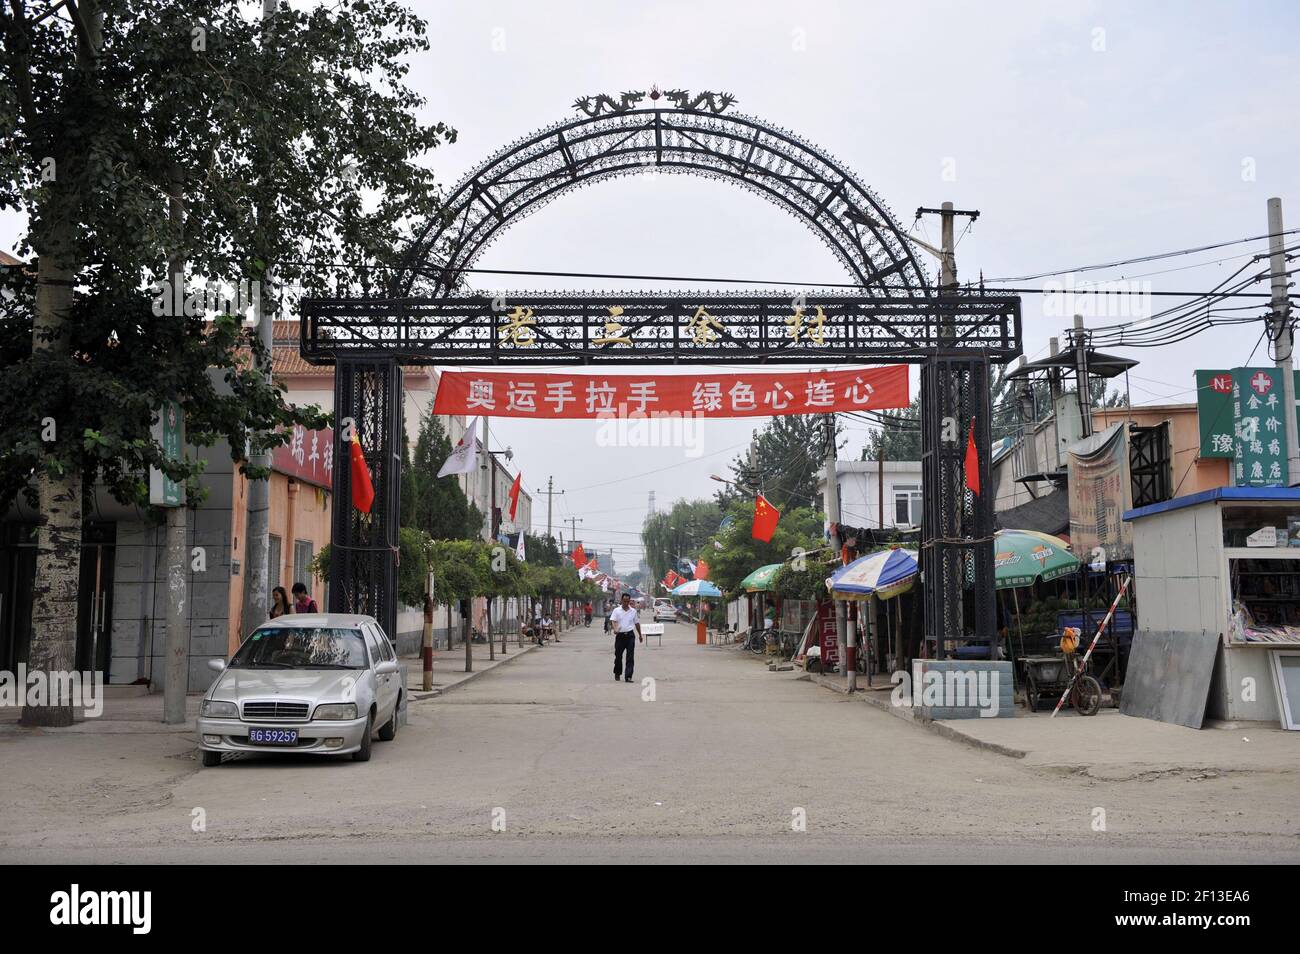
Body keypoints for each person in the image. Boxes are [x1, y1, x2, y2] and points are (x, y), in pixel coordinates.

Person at [609, 592, 643, 683]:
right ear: (621, 600)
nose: (626, 603)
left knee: (630, 657)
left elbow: (636, 623)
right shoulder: (616, 610)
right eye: (624, 601)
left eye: (627, 601)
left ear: (629, 601)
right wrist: (615, 628)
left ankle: (628, 676)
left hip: (630, 636)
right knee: (618, 656)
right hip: (620, 636)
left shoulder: (633, 611)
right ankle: (617, 672)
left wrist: (640, 635)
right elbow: (613, 621)